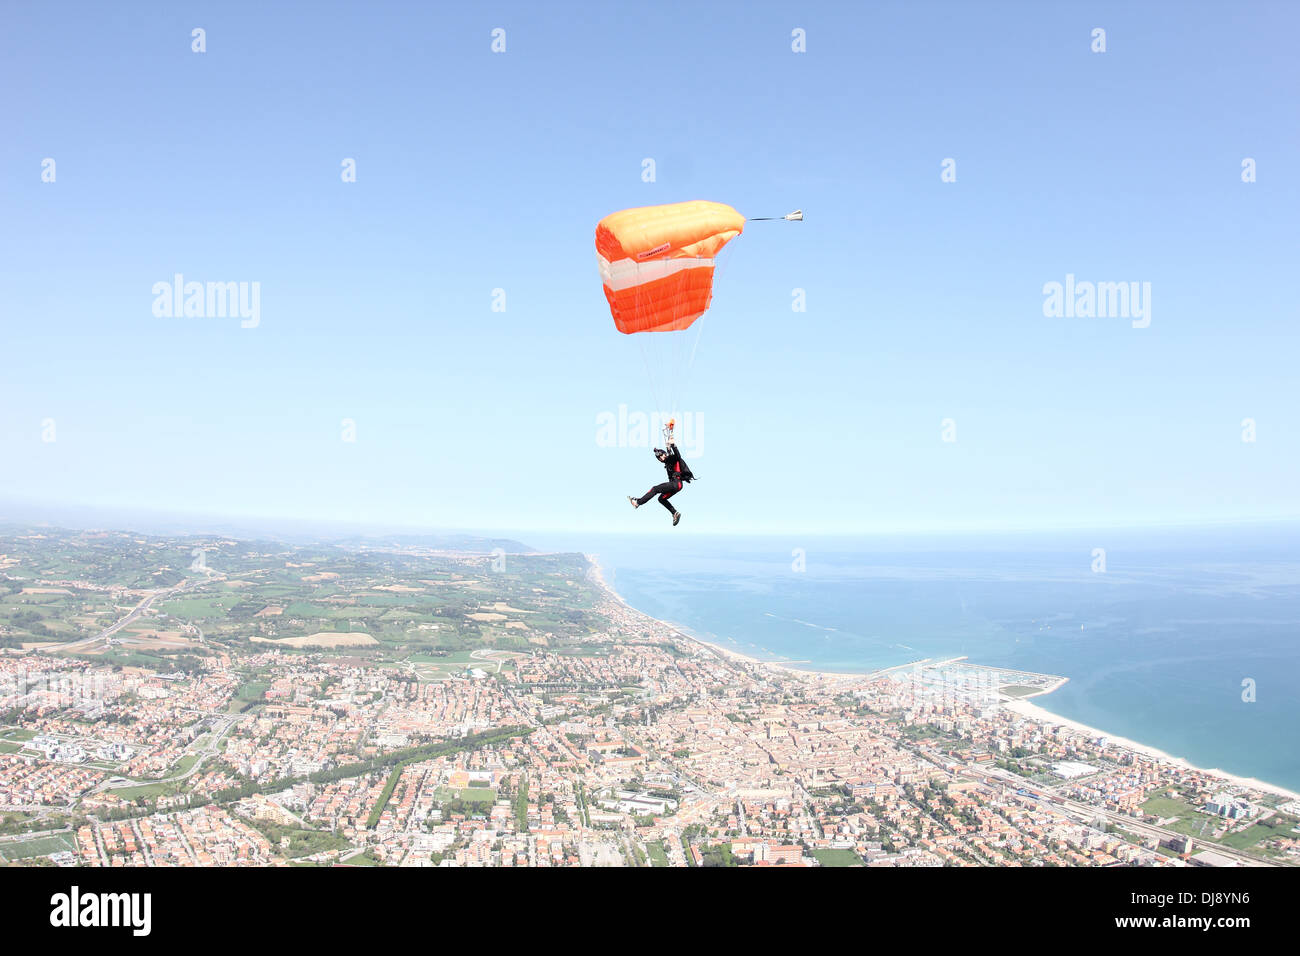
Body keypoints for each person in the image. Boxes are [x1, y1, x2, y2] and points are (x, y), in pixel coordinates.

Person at [628, 442, 694, 526]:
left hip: (676, 484)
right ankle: (675, 513)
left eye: (661, 456)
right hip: (676, 485)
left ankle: (638, 502)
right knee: (661, 499)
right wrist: (668, 447)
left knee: (655, 489)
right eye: (658, 458)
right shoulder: (668, 463)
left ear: (665, 454)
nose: (660, 458)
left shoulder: (672, 459)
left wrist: (673, 444)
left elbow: (677, 455)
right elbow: (669, 454)